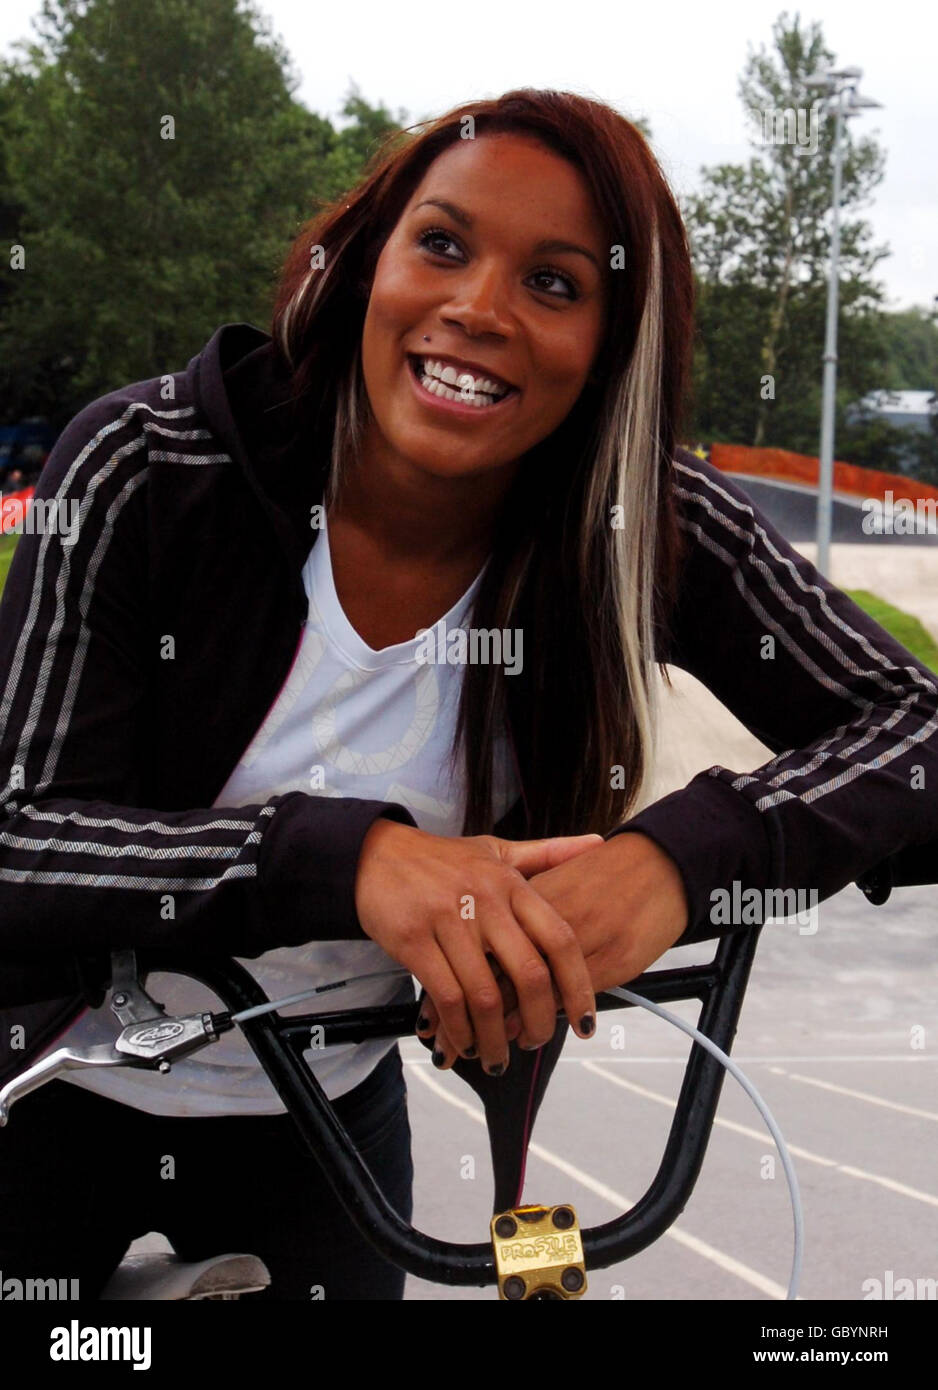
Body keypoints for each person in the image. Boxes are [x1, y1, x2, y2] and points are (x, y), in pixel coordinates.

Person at [1, 88, 937, 1302]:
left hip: (324, 1115)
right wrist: (353, 863)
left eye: (554, 284)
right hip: (46, 1093)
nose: (478, 310)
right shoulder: (143, 466)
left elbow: (915, 729)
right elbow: (20, 836)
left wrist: (678, 859)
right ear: (363, 264)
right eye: (440, 245)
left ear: (613, 344)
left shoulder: (642, 523)